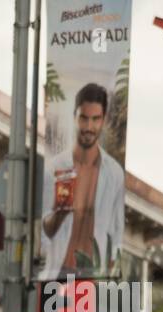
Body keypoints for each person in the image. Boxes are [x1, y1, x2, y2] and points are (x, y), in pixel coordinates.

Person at [40, 83, 125, 278]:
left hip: (93, 280)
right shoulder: (55, 167)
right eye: (83, 118)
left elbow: (117, 231)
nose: (89, 127)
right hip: (58, 273)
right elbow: (44, 234)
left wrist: (111, 281)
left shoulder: (114, 174)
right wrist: (60, 214)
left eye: (95, 119)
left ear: (103, 120)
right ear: (74, 117)